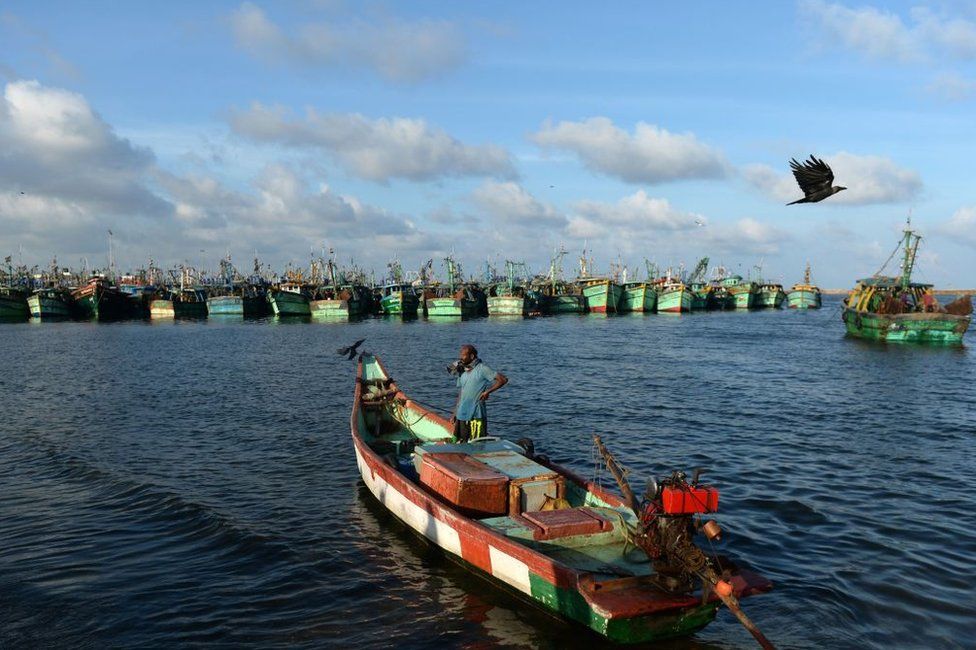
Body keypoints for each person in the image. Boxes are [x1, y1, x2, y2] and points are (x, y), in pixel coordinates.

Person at [450, 344, 507, 443]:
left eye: (463, 355)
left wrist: (488, 392)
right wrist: (455, 412)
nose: (461, 358)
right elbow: (462, 392)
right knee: (461, 442)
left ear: (472, 356)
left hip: (477, 415)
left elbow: (503, 380)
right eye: (460, 355)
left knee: (477, 444)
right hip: (462, 414)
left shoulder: (482, 369)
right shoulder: (462, 371)